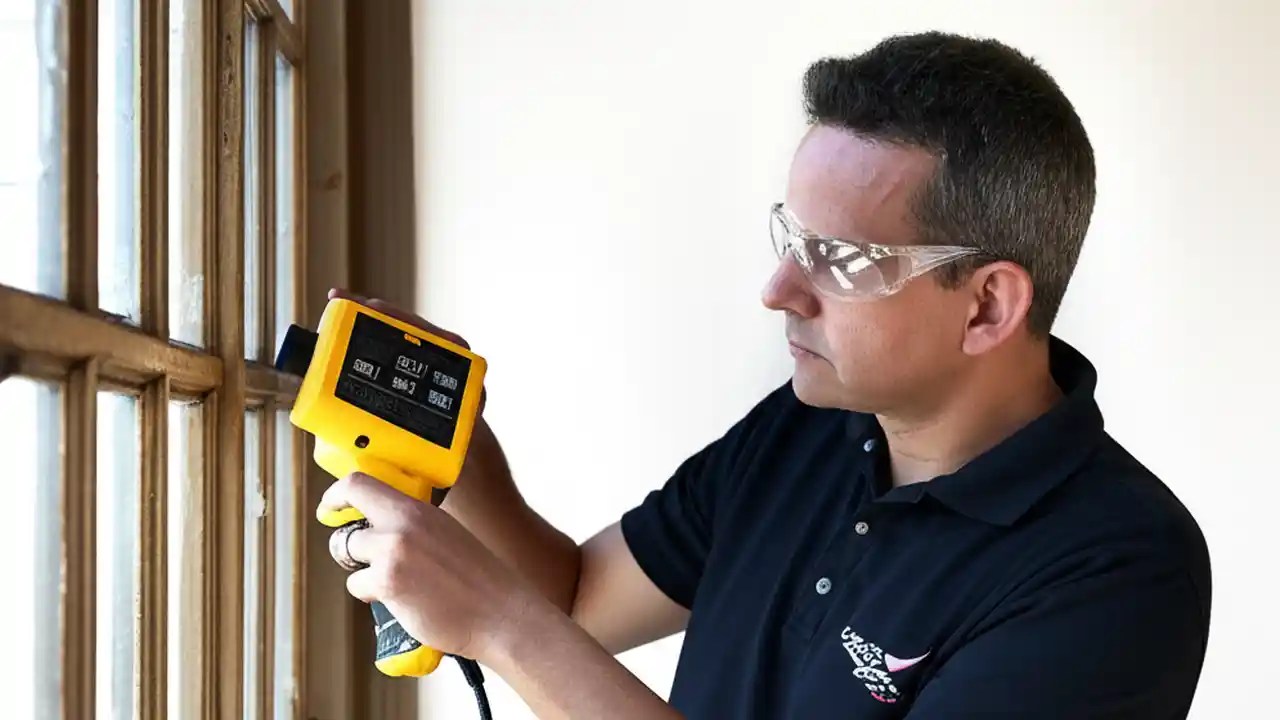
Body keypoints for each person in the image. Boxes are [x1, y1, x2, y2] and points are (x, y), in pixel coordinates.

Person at [320, 31, 1211, 718]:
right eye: (792, 237)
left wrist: (496, 625)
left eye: (841, 260)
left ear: (986, 306)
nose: (780, 290)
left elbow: (535, 623)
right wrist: (455, 439)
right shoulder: (808, 427)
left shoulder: (1119, 567)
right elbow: (580, 602)